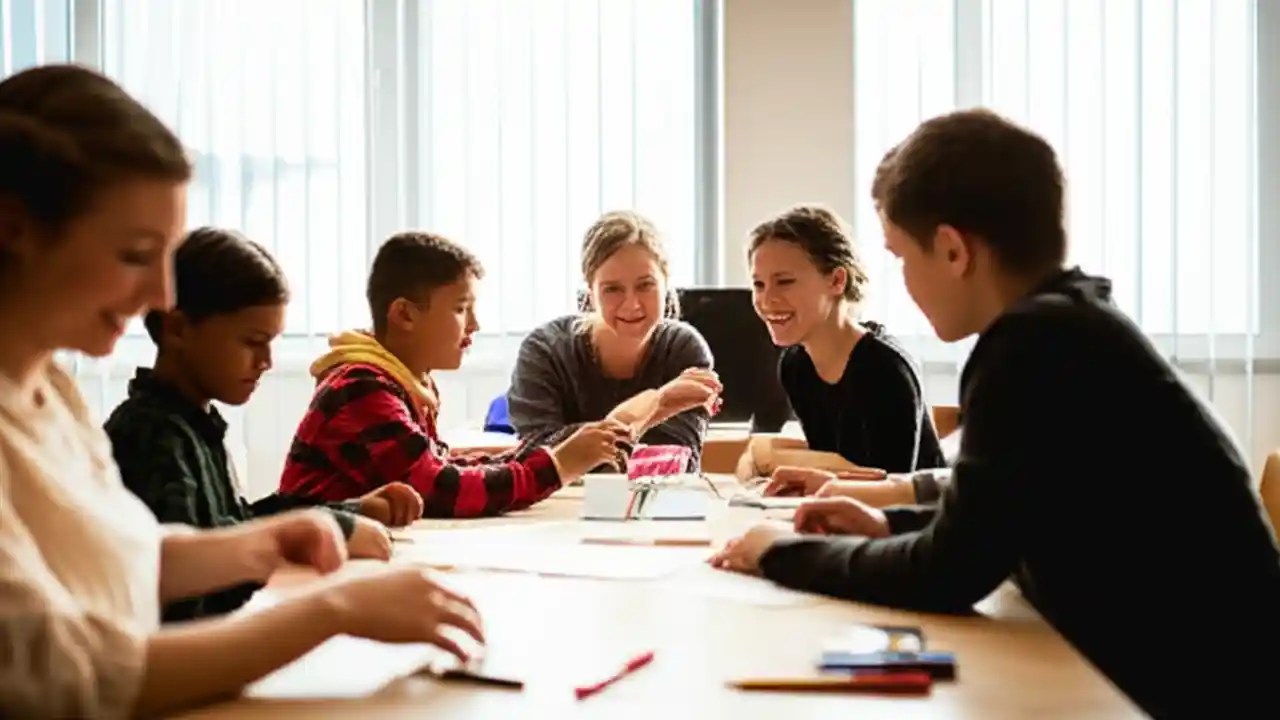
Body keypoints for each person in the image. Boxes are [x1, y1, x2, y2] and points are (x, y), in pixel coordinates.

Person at [710, 109, 1280, 717]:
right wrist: (888, 526)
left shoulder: (1032, 347)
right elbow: (1003, 517)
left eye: (902, 257)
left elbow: (946, 574)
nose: (904, 280)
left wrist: (778, 553)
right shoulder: (1072, 323)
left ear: (953, 250)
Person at [0, 64, 481, 719]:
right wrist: (335, 608)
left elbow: (125, 555)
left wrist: (272, 538)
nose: (162, 295)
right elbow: (78, 676)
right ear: (14, 229)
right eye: (136, 254)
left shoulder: (49, 390)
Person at [105, 226, 426, 622]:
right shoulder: (152, 436)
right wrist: (334, 530)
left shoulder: (193, 422)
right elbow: (192, 587)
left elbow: (238, 523)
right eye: (252, 341)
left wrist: (353, 509)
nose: (267, 361)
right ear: (178, 330)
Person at [279, 231, 627, 515]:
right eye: (461, 309)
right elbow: (442, 489)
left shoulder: (404, 384)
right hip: (309, 567)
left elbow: (441, 465)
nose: (475, 325)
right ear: (405, 315)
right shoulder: (360, 389)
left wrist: (554, 452)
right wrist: (557, 465)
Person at [747, 203, 944, 493]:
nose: (766, 300)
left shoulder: (884, 367)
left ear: (837, 280)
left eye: (784, 282)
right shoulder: (795, 365)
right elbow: (836, 463)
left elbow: (888, 486)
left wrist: (777, 458)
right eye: (758, 285)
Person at [507, 210, 721, 471]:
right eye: (612, 289)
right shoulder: (545, 351)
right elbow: (539, 465)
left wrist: (579, 447)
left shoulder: (683, 350)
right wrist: (655, 403)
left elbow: (672, 465)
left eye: (645, 285)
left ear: (666, 284)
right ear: (591, 291)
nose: (632, 305)